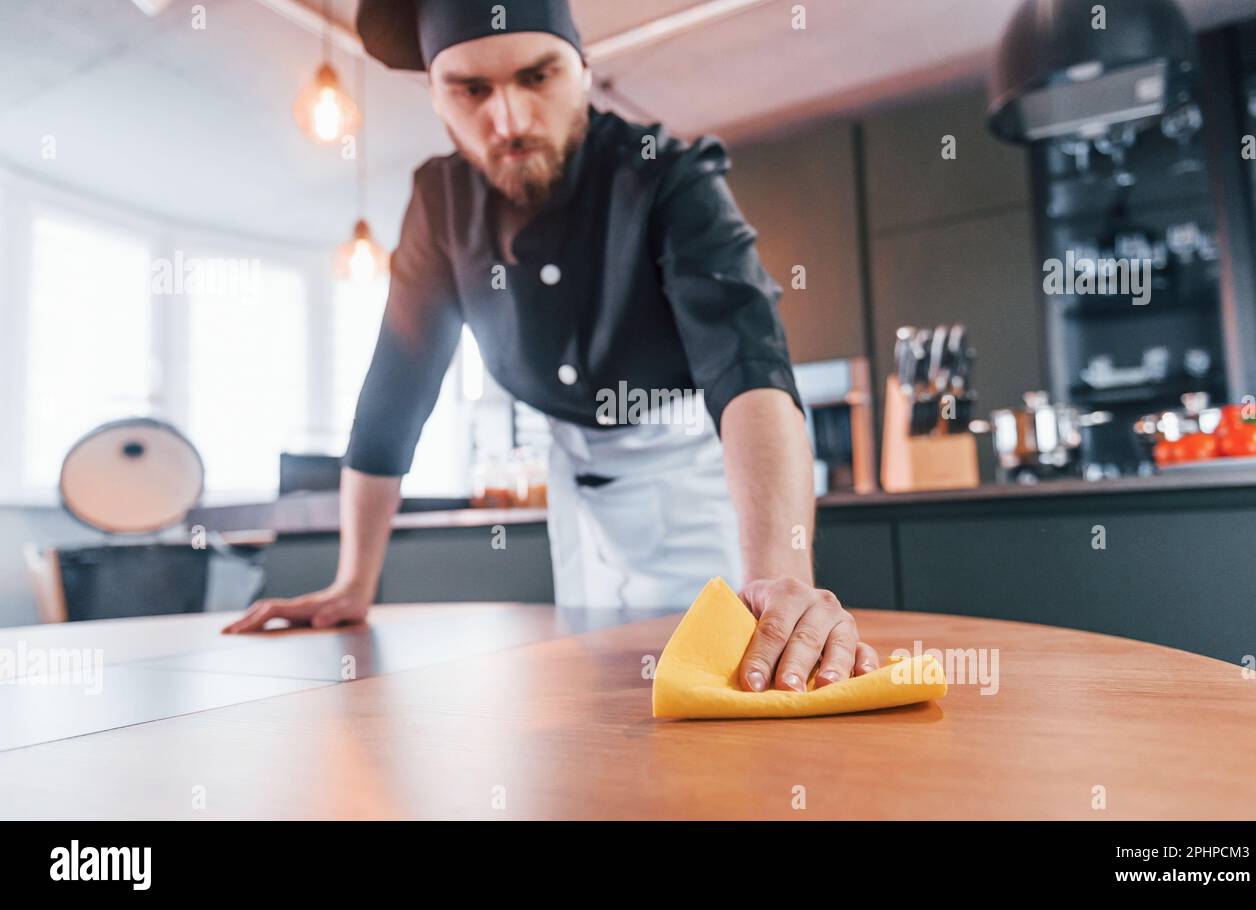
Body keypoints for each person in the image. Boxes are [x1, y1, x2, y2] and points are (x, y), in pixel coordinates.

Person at [224, 0, 879, 693]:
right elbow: (394, 398)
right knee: (599, 690)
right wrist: (353, 581)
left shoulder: (669, 178)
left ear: (584, 70)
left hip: (696, 476)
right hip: (573, 480)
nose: (508, 121)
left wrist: (780, 579)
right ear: (436, 96)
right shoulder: (440, 202)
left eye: (537, 77)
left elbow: (749, 368)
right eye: (471, 90)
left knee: (727, 688)